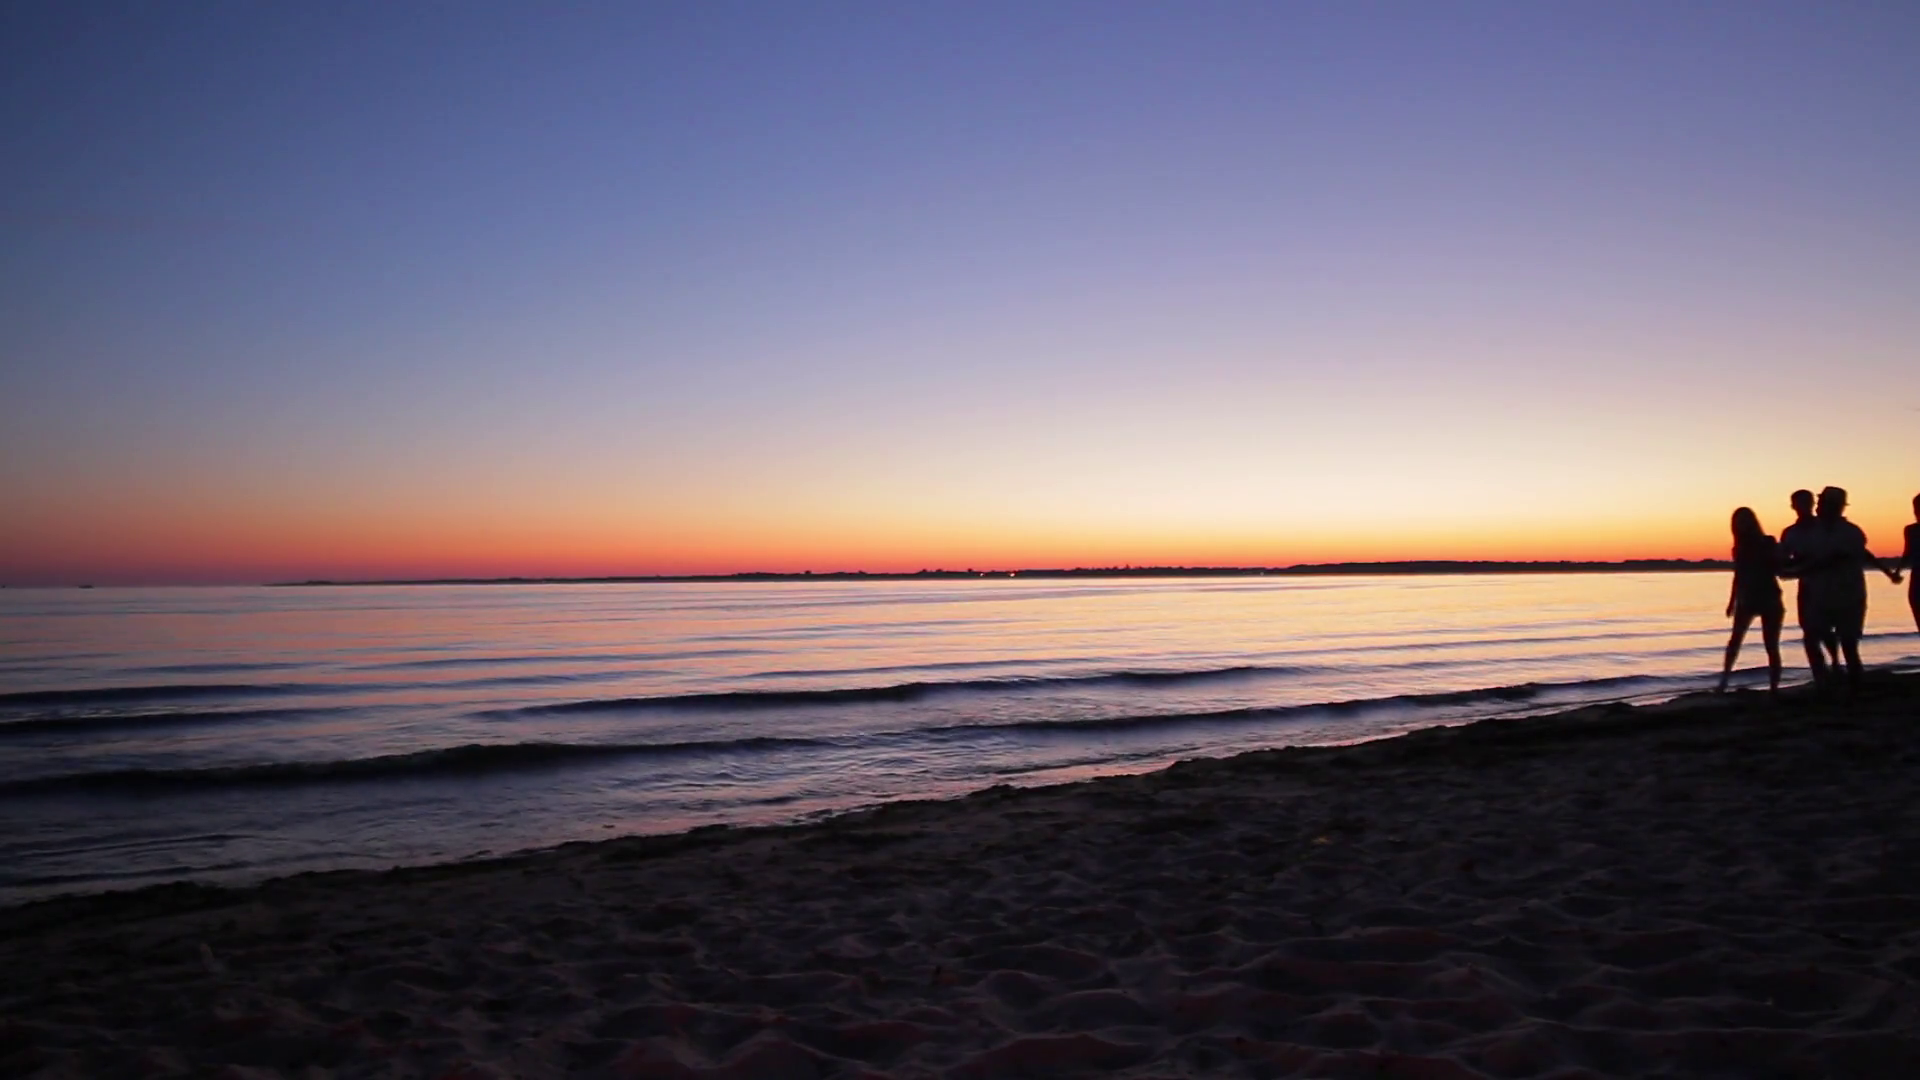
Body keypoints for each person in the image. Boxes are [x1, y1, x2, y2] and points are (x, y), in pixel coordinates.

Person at [1800, 486, 1901, 691]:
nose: (1818, 507)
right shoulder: (1813, 532)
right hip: (1820, 595)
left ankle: (1854, 687)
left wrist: (1887, 572)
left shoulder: (1851, 532)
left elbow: (1849, 556)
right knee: (1812, 638)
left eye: (1822, 503)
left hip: (1849, 596)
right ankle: (1823, 682)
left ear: (1835, 507)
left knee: (1848, 644)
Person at [1717, 507, 1783, 694]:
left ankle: (1774, 688)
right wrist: (1732, 601)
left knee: (1771, 644)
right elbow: (1738, 575)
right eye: (1739, 522)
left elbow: (1777, 566)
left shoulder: (1768, 542)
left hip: (1769, 596)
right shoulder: (1738, 548)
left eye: (1745, 521)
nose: (1742, 525)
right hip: (1747, 598)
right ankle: (1723, 682)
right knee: (1735, 641)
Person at [1778, 489, 1838, 683]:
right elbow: (1783, 560)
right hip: (1807, 587)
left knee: (1826, 630)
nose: (1802, 507)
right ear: (1793, 506)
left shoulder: (1825, 527)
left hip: (1829, 585)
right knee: (1809, 632)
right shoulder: (1791, 533)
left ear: (1812, 504)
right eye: (1799, 503)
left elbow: (1834, 556)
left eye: (1806, 502)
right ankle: (1820, 673)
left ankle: (1836, 664)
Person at [1904, 493, 1920, 634]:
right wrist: (1896, 572)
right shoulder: (1910, 530)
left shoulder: (1911, 530)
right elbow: (1907, 552)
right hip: (1917, 576)